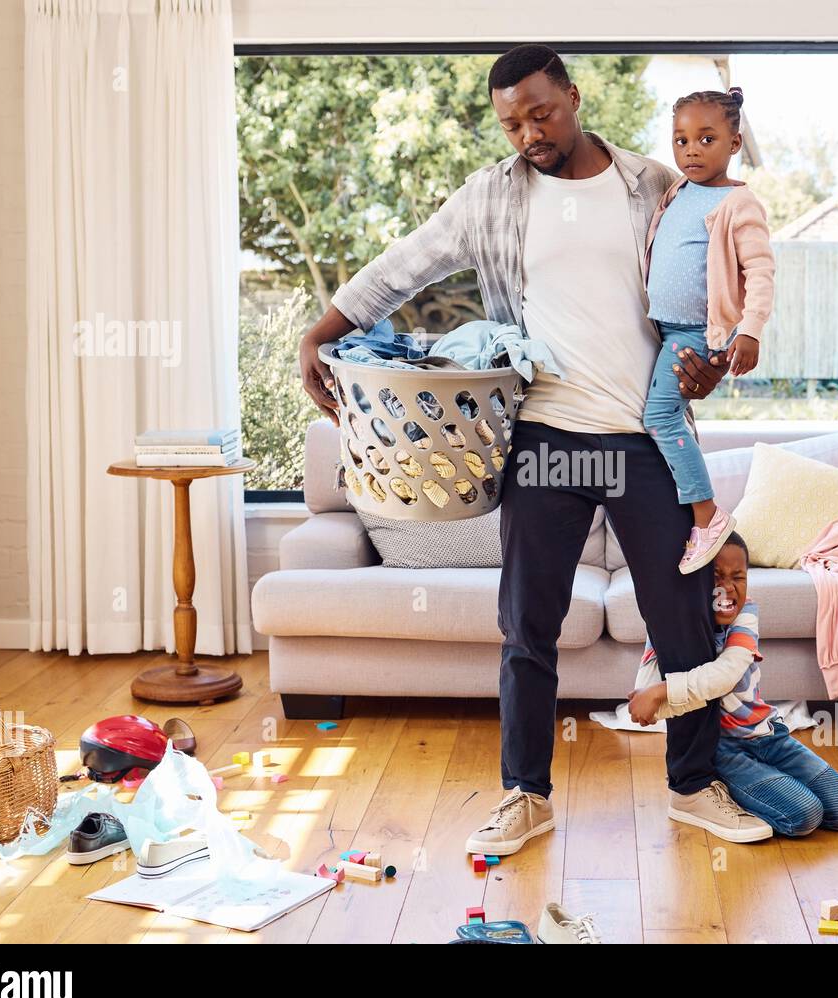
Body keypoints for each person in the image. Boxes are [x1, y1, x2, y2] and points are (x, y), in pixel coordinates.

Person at [298, 45, 772, 854]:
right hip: (545, 436)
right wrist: (321, 332)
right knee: (527, 627)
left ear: (575, 98)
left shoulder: (655, 185)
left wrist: (708, 366)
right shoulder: (490, 197)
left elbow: (714, 286)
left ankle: (695, 785)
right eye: (511, 122)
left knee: (686, 620)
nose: (527, 134)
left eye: (541, 113)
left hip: (645, 441)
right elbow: (401, 267)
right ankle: (526, 794)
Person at [629, 534, 838, 837]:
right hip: (725, 749)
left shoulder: (746, 613)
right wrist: (650, 695)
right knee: (805, 815)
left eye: (738, 577)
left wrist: (660, 692)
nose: (728, 588)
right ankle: (731, 787)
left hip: (769, 735)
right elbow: (645, 694)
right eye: (716, 577)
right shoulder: (673, 625)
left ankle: (767, 782)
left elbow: (724, 676)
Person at [642, 88, 775, 574]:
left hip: (695, 332)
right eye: (680, 140)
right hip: (661, 329)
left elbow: (760, 270)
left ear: (734, 143)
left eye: (705, 138)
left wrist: (750, 330)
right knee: (659, 418)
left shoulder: (739, 202)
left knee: (660, 417)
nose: (691, 150)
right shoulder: (677, 189)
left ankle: (707, 516)